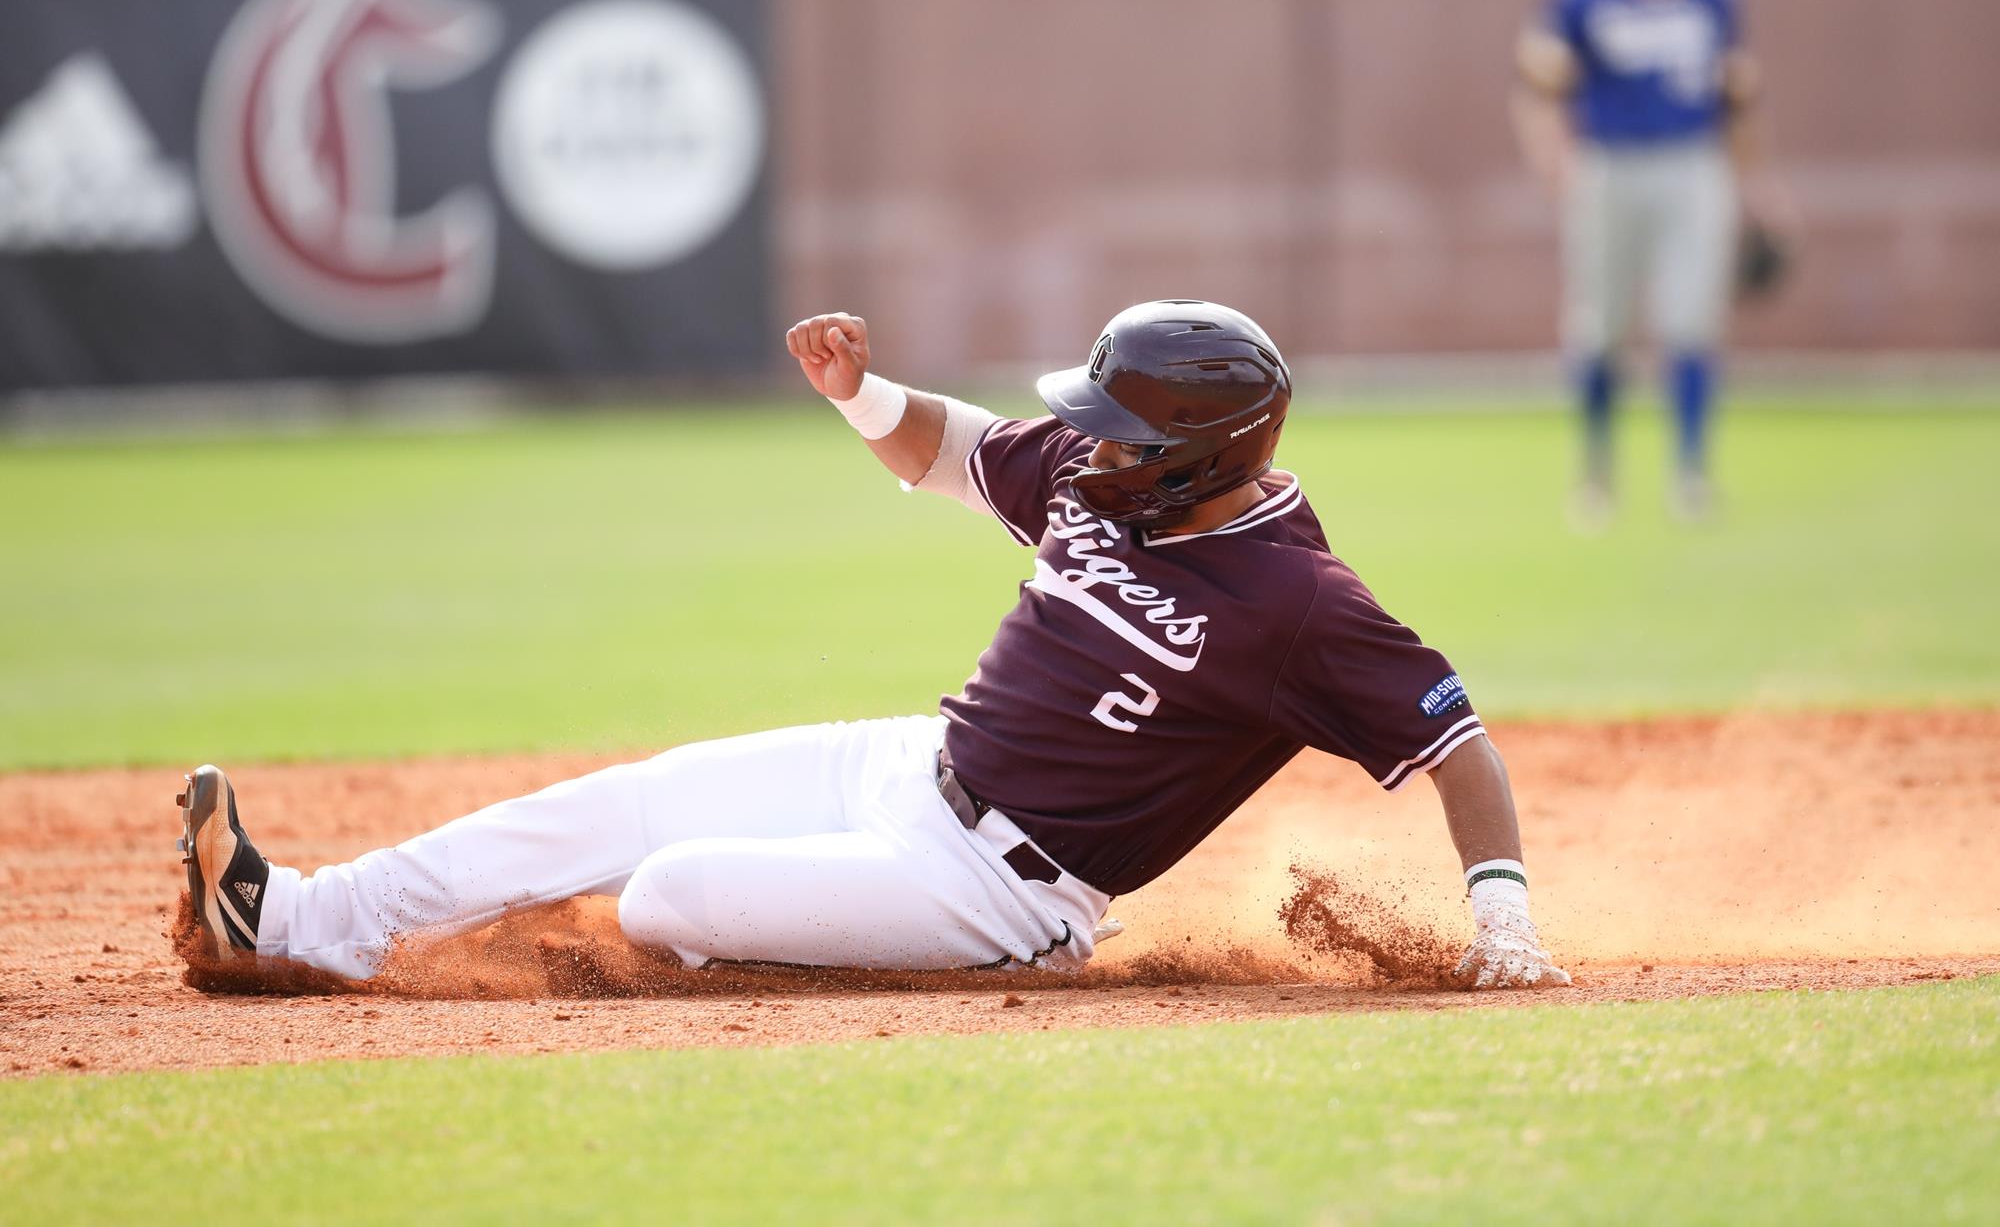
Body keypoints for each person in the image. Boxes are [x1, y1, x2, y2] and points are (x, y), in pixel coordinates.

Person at [178, 301, 1570, 990]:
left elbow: (1453, 742)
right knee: (613, 803)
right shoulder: (1105, 478)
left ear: (1195, 456)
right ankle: (297, 919)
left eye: (1116, 425)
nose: (1081, 439)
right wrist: (859, 392)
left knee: (663, 892)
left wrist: (1500, 917)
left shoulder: (1302, 607)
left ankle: (690, 936)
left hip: (1005, 899)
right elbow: (954, 449)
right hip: (906, 768)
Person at [1512, 0, 1785, 524]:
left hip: (1694, 161)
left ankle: (1691, 474)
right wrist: (1550, 157)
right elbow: (1537, 77)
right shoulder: (1584, 4)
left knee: (1692, 320)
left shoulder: (1709, 4)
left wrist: (1761, 188)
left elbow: (1739, 93)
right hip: (1609, 162)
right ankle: (1596, 477)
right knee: (1599, 326)